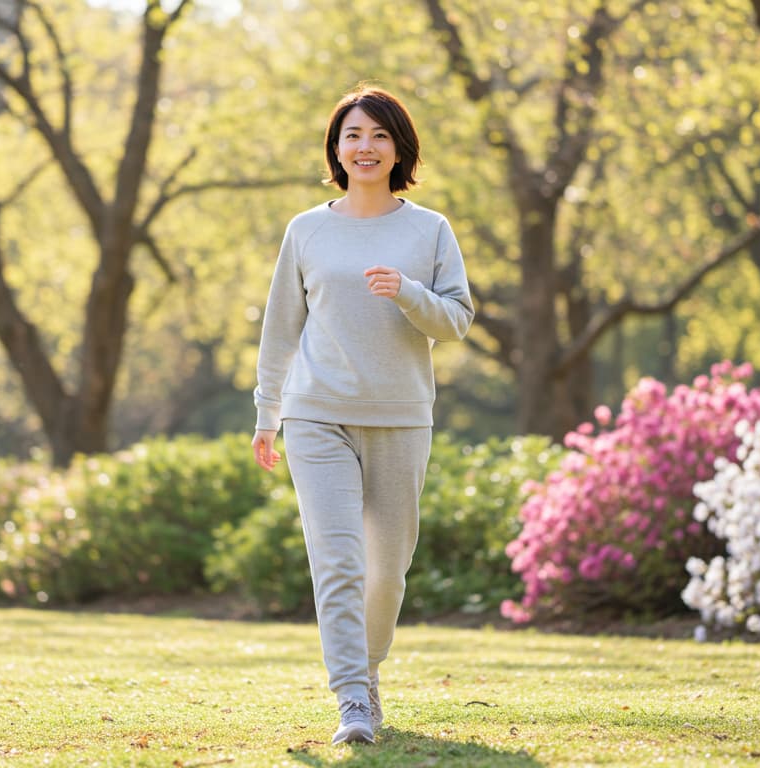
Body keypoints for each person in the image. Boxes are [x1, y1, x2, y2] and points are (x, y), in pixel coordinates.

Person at [251, 84, 474, 746]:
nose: (365, 146)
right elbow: (279, 331)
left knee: (386, 569)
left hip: (401, 417)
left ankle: (369, 671)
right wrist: (269, 414)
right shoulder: (306, 230)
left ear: (398, 147)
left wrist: (408, 293)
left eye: (379, 135)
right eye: (353, 134)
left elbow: (458, 319)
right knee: (338, 559)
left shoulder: (428, 229)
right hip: (316, 413)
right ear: (336, 148)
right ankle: (351, 697)